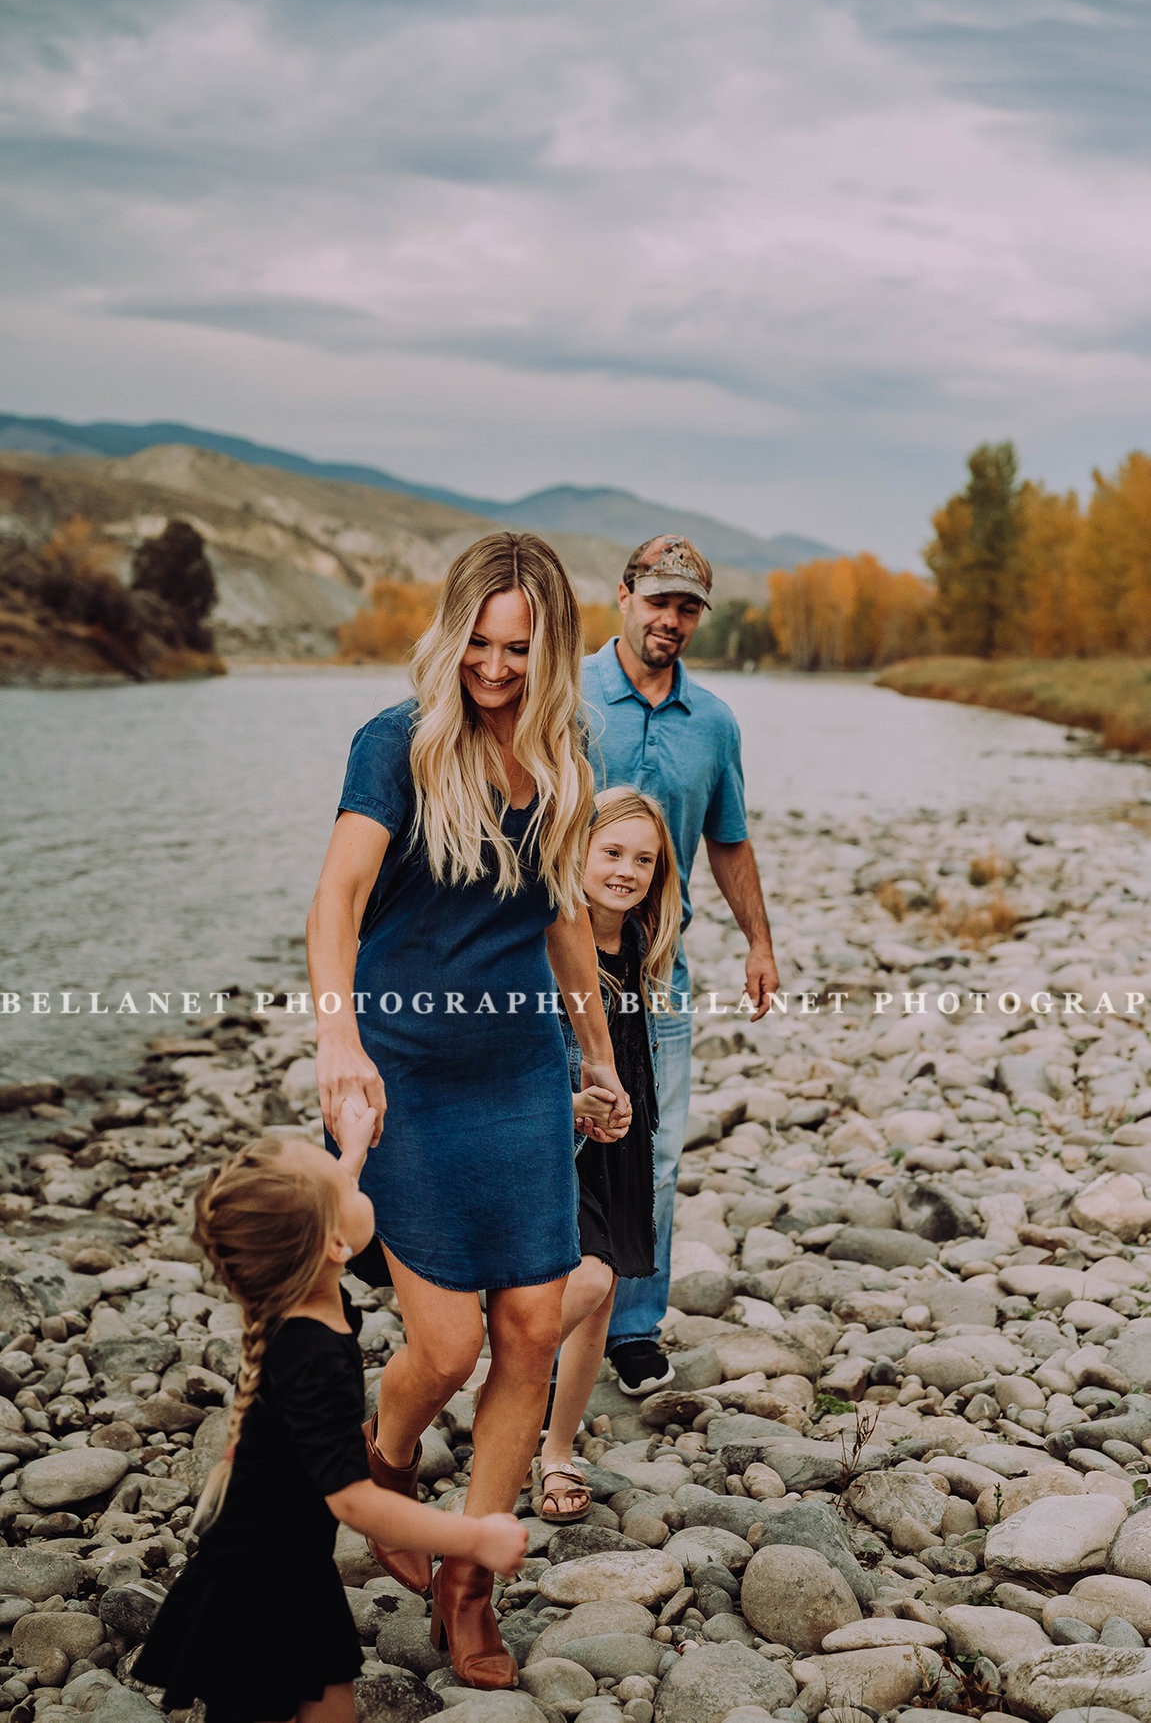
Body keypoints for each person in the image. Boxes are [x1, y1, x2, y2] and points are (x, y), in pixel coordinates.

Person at [305, 532, 630, 1689]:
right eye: (479, 644)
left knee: (532, 1329)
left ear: (553, 651)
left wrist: (596, 1053)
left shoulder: (564, 753)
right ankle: (385, 1458)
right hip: (404, 1074)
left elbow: (561, 918)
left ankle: (470, 1575)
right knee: (444, 1346)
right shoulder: (395, 743)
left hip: (520, 1075)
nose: (494, 668)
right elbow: (337, 897)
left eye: (518, 649)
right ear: (453, 633)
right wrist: (337, 1036)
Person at [134, 1108, 527, 1723]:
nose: (358, 1184)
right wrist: (473, 1538)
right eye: (348, 1187)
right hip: (264, 1584)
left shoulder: (292, 1291)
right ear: (335, 1244)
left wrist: (353, 1150)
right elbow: (354, 1502)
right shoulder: (312, 1355)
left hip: (278, 1562)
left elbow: (321, 1207)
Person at [581, 534, 779, 1397]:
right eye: (658, 600)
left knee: (654, 1153)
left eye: (687, 606)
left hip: (659, 970)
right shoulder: (564, 694)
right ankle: (536, 1316)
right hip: (555, 960)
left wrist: (758, 943)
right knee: (553, 1139)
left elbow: (727, 839)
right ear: (623, 595)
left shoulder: (714, 722)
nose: (671, 618)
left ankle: (631, 1327)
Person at [534, 787, 681, 1523]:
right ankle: (500, 1372)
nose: (626, 870)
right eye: (612, 853)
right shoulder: (541, 942)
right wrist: (568, 1108)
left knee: (600, 1301)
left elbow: (633, 1051)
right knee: (586, 1280)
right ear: (577, 854)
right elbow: (513, 1058)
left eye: (643, 860)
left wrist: (630, 1116)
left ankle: (557, 1450)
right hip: (560, 1134)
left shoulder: (643, 942)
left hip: (620, 1136)